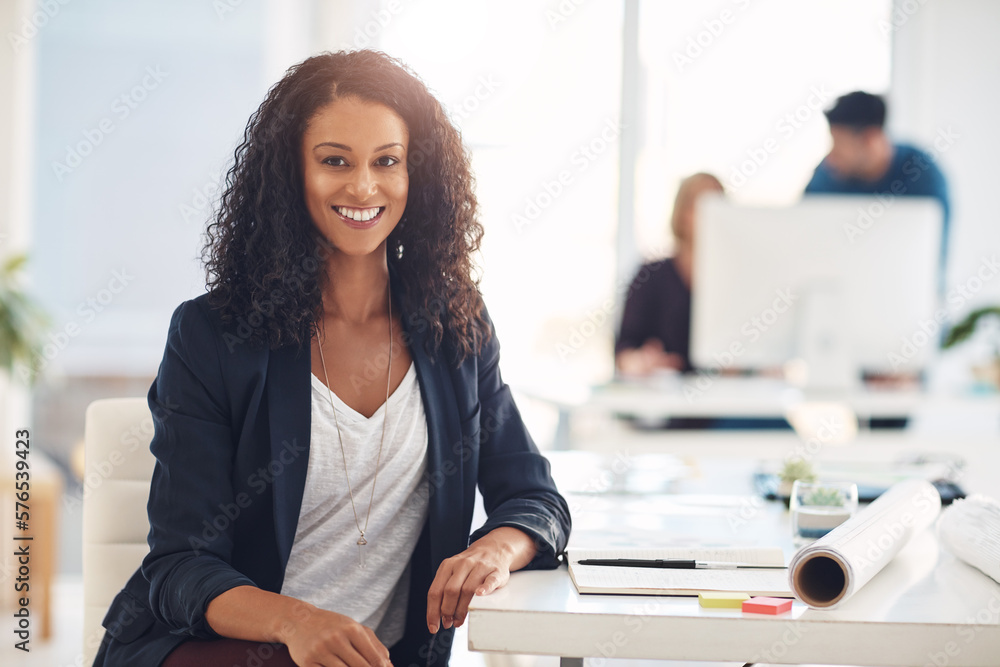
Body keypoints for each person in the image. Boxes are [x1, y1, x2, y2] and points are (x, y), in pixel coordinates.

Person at [93, 50, 570, 667]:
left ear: (415, 175)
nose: (364, 187)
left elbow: (535, 499)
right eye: (335, 161)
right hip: (223, 653)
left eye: (387, 162)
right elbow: (180, 565)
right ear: (291, 173)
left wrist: (496, 551)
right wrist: (296, 624)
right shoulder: (213, 335)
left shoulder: (454, 325)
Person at [805, 90, 951, 274]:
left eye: (839, 143)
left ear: (869, 139)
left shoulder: (922, 174)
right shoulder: (826, 176)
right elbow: (805, 238)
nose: (832, 156)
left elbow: (933, 259)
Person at [615, 172, 724, 377]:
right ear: (682, 213)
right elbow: (624, 351)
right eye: (703, 205)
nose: (712, 214)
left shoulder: (733, 281)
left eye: (719, 205)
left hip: (723, 397)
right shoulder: (651, 275)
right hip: (663, 399)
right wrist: (640, 361)